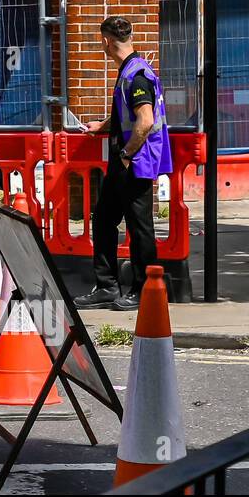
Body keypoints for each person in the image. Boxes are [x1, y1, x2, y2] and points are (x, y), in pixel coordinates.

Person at [73, 16, 173, 312]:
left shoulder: (137, 76)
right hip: (126, 159)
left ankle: (145, 288)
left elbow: (145, 121)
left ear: (106, 41)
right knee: (104, 218)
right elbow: (126, 115)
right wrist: (101, 126)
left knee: (140, 226)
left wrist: (127, 154)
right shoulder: (130, 70)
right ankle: (107, 286)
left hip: (135, 161)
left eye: (100, 42)